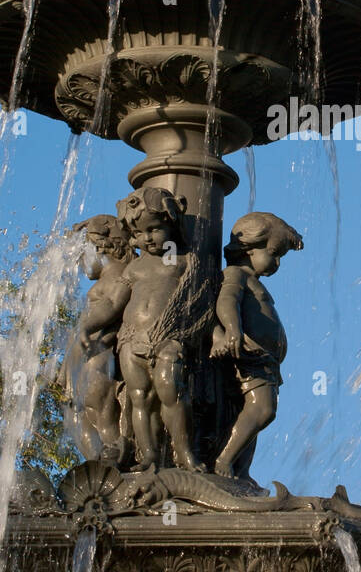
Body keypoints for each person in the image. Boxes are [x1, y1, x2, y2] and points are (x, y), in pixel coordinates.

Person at [80, 188, 209, 471]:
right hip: (131, 338)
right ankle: (148, 455)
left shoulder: (185, 261)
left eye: (155, 229)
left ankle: (185, 453)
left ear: (171, 223)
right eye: (139, 233)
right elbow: (114, 301)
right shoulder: (134, 268)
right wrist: (88, 324)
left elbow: (200, 301)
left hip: (168, 335)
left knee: (170, 390)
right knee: (140, 397)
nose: (147, 238)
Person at [211, 212, 303, 478]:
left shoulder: (252, 280)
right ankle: (223, 460)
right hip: (248, 353)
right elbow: (226, 302)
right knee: (262, 410)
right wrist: (232, 329)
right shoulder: (235, 275)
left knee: (253, 414)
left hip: (264, 360)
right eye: (274, 253)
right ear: (249, 246)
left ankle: (240, 469)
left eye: (280, 258)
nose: (276, 262)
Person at [60, 214, 134, 463]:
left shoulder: (119, 274)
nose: (79, 263)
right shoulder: (106, 278)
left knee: (98, 409)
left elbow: (112, 304)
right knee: (79, 414)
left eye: (83, 254)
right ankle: (95, 463)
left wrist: (86, 326)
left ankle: (115, 455)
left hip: (99, 355)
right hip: (84, 355)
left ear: (102, 246)